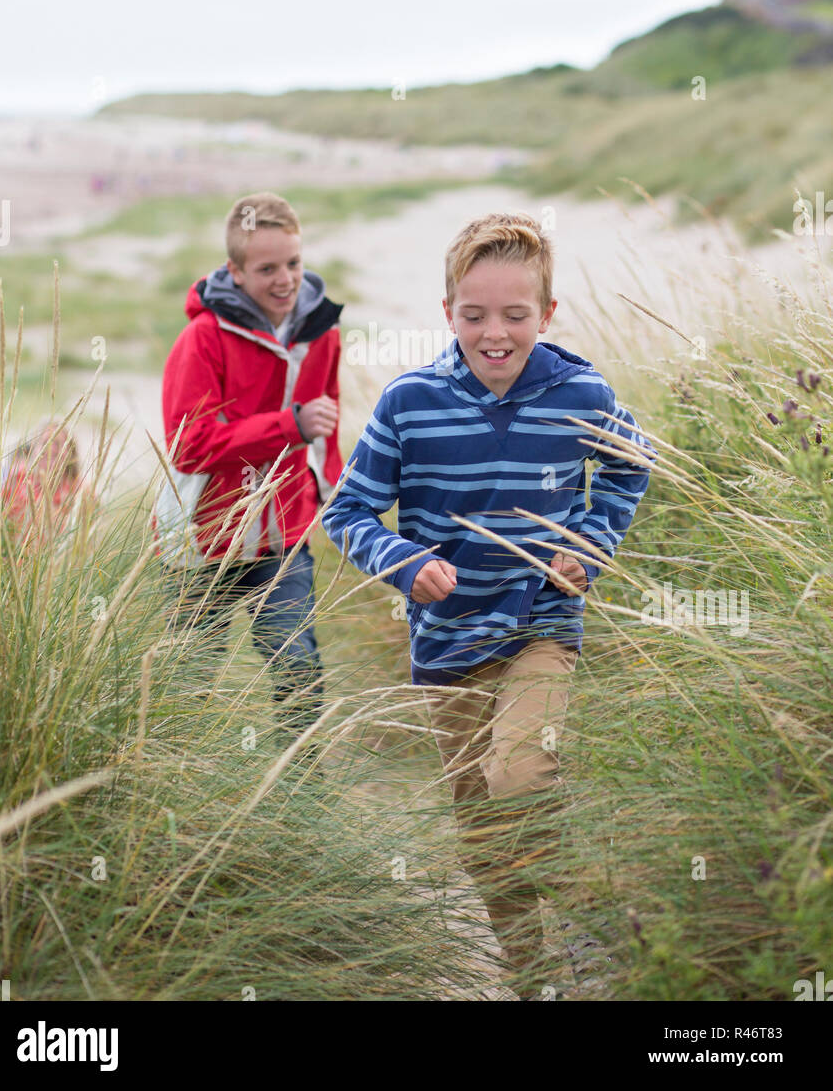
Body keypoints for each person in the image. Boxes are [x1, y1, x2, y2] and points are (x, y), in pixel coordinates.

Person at [321, 212, 656, 997]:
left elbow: (630, 467)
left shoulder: (580, 391)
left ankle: (599, 909)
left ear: (547, 314)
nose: (494, 333)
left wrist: (591, 545)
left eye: (515, 315)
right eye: (474, 315)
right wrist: (405, 562)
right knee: (481, 832)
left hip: (541, 625)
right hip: (445, 647)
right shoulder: (410, 403)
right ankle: (529, 968)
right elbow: (347, 514)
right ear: (447, 315)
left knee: (520, 775)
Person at [153, 192, 343, 741]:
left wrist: (329, 495)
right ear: (234, 272)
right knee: (187, 684)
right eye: (266, 269)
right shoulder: (202, 339)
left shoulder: (321, 331)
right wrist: (289, 424)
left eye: (293, 263)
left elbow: (325, 418)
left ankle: (301, 795)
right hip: (200, 541)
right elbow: (190, 447)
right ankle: (171, 788)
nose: (284, 280)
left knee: (298, 669)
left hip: (281, 537)